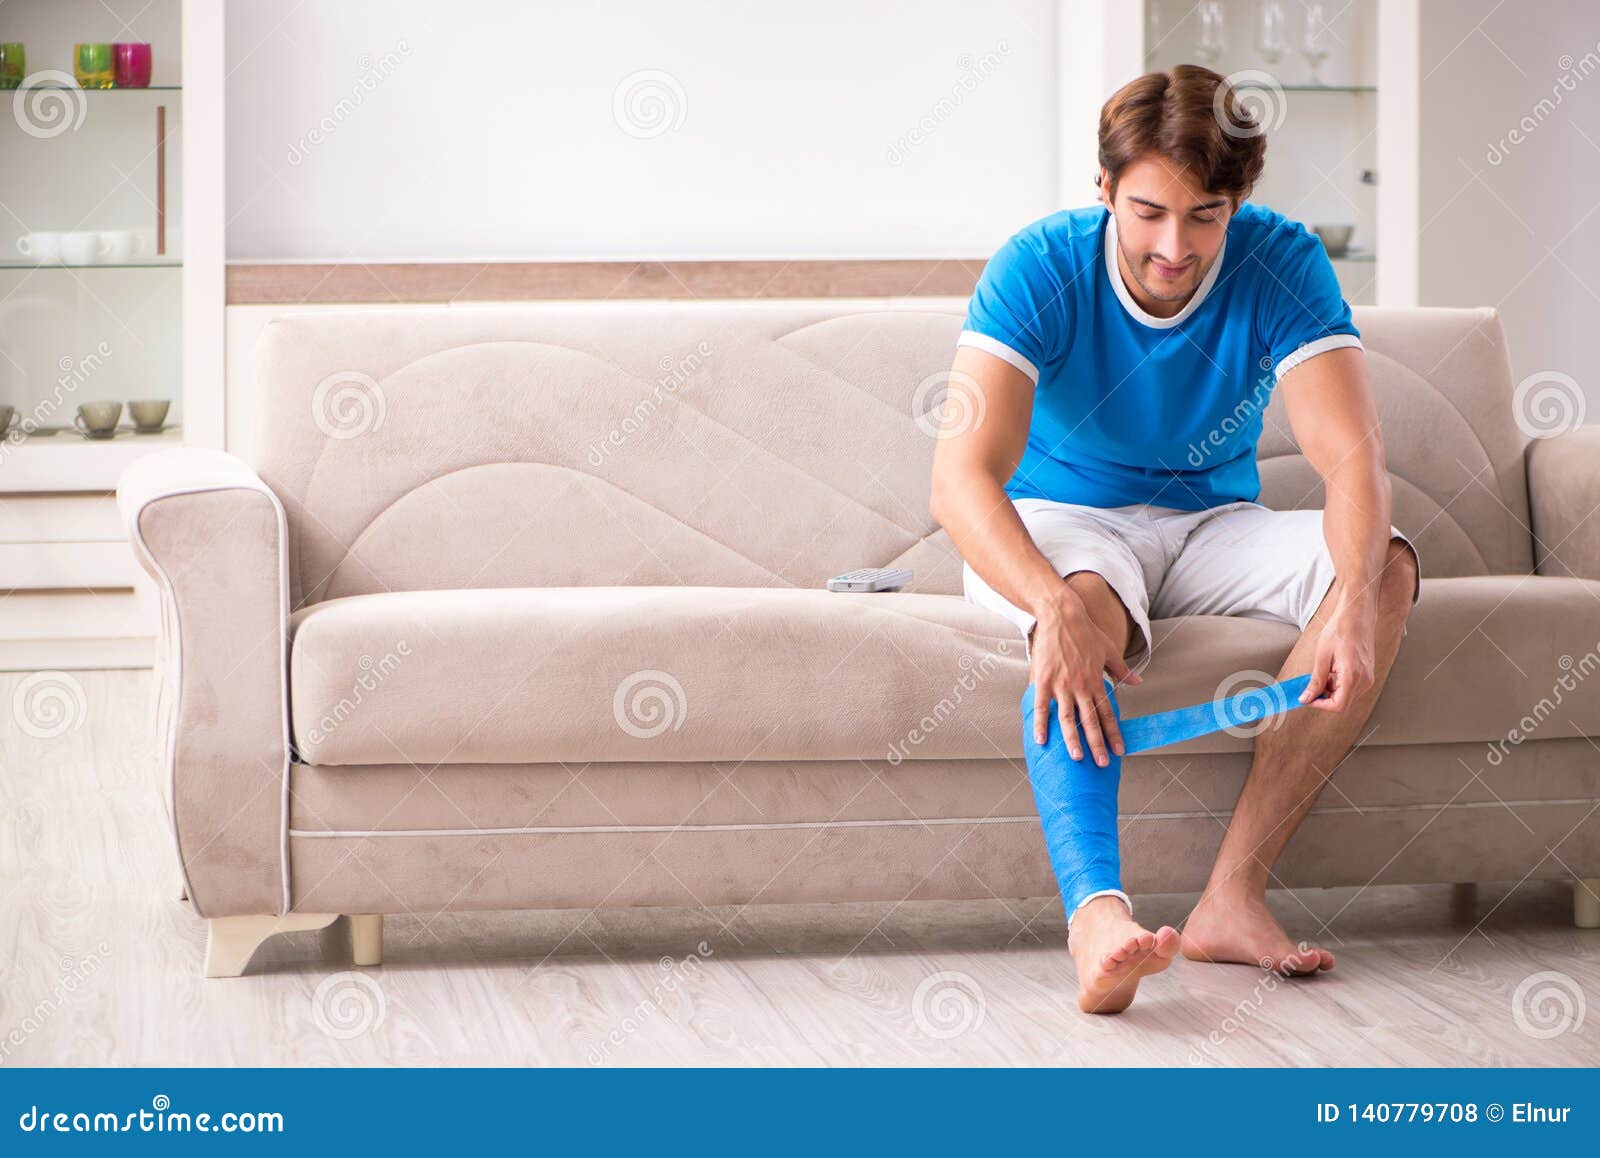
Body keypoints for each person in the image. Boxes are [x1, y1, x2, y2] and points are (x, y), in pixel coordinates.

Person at [929, 65, 1421, 1014]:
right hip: (1063, 519)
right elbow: (959, 480)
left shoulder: (1280, 260)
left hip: (1212, 524)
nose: (1174, 246)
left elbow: (1352, 464)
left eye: (1205, 216)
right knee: (1082, 606)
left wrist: (1356, 603)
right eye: (1148, 212)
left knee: (1388, 564)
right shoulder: (1039, 266)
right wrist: (1051, 605)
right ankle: (1096, 919)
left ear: (1238, 202)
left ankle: (1230, 899)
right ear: (1105, 188)